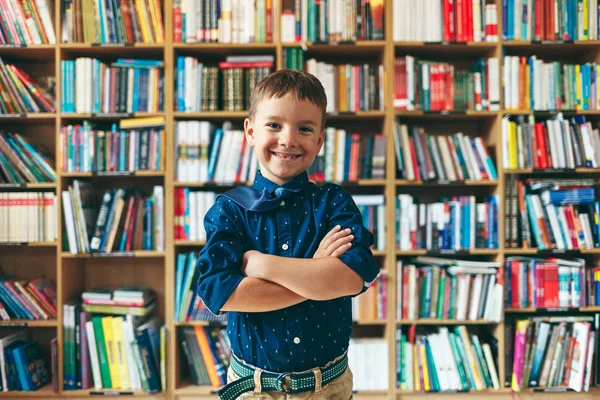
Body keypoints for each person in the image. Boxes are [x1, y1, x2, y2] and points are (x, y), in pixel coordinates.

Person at [196, 69, 380, 400]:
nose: (288, 139)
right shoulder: (228, 211)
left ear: (319, 140)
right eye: (274, 125)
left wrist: (260, 264)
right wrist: (316, 276)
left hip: (329, 387)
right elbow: (220, 294)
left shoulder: (333, 202)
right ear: (250, 131)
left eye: (305, 129)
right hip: (256, 390)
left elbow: (353, 278)